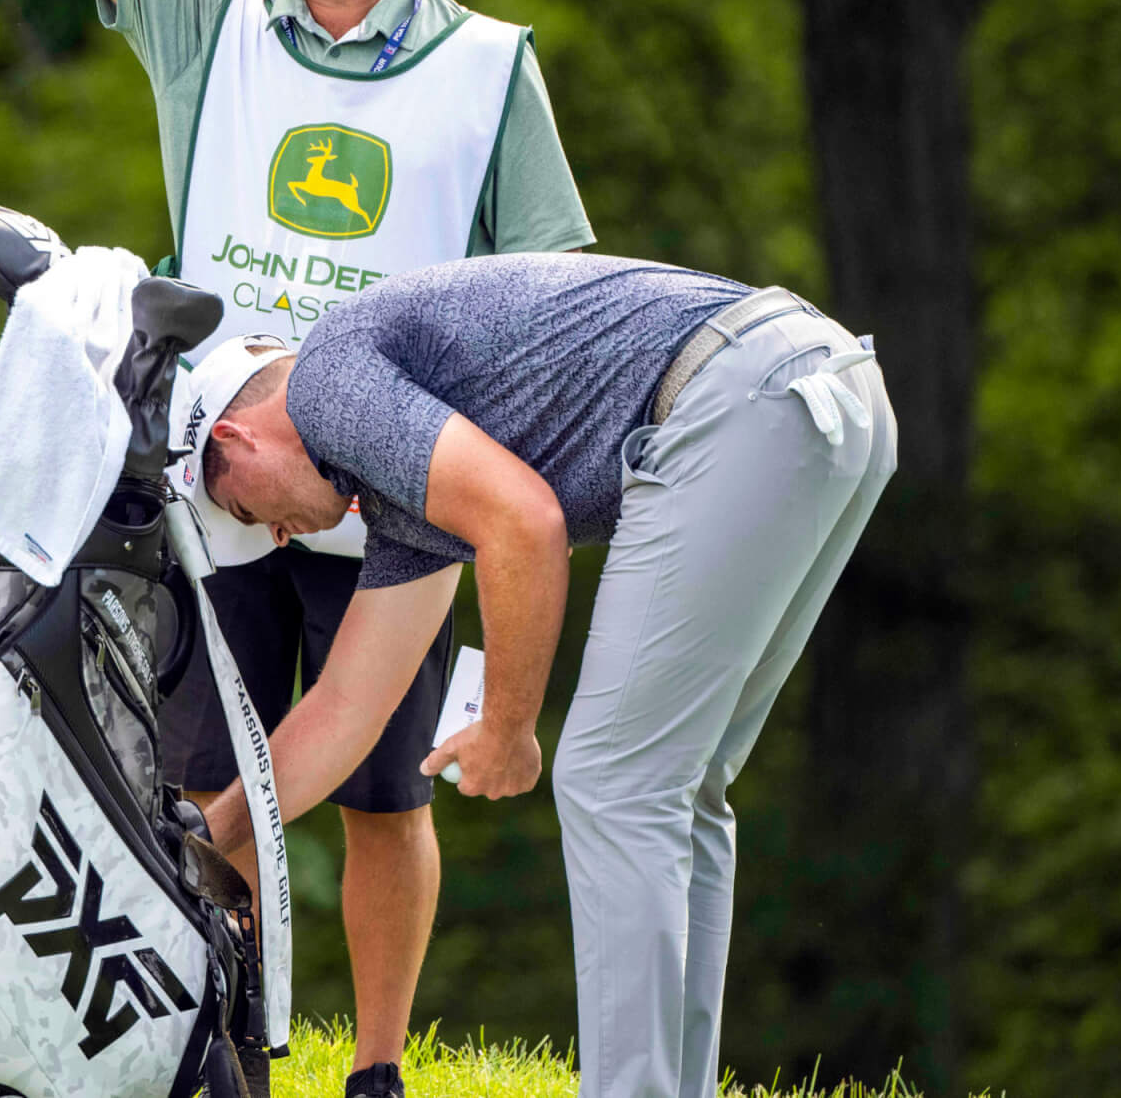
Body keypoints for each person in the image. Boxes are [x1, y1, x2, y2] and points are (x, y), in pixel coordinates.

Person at [22, 0, 594, 1098]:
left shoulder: (489, 65)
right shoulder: (213, 21)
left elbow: (554, 294)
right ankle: (208, 1043)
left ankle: (378, 1067)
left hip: (399, 486)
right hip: (217, 470)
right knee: (198, 773)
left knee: (384, 793)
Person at [172, 254, 898, 1098]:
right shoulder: (406, 499)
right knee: (679, 786)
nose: (273, 536)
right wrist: (198, 836)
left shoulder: (327, 380)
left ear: (235, 438)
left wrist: (508, 728)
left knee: (612, 780)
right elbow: (343, 707)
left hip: (744, 398)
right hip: (826, 393)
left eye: (245, 511)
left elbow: (525, 521)